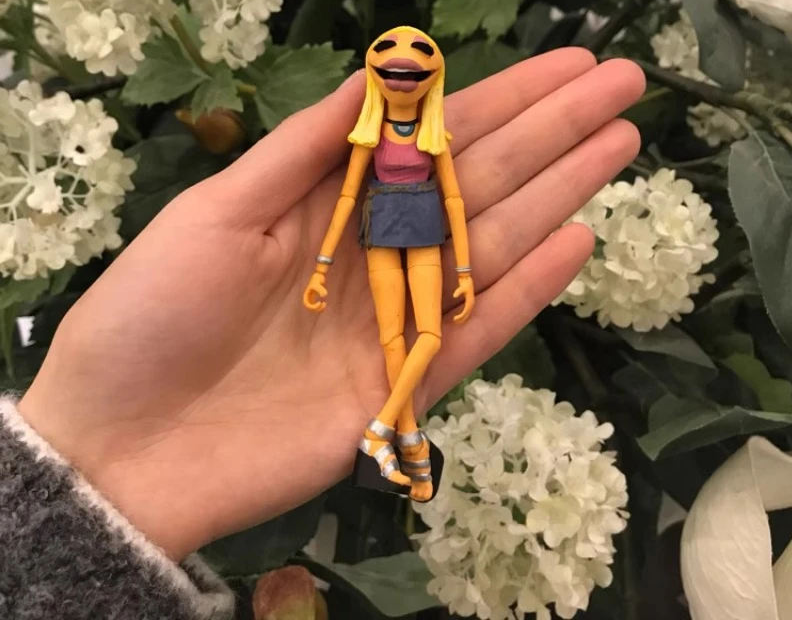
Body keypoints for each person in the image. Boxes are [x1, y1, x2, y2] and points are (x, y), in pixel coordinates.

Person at [0, 49, 645, 619]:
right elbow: (342, 205)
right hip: (377, 240)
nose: (403, 54)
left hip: (427, 244)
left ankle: (388, 426)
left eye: (416, 50)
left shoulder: (436, 140)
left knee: (424, 341)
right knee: (395, 344)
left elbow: (454, 198)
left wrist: (468, 267)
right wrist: (322, 264)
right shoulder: (367, 139)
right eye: (390, 48)